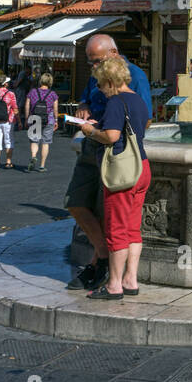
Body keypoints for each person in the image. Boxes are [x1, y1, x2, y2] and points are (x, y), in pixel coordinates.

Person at [64, 34, 151, 290]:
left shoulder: (135, 76)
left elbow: (143, 118)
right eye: (90, 62)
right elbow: (86, 98)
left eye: (97, 61)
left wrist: (102, 130)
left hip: (114, 154)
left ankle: (104, 269)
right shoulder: (95, 74)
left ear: (113, 53)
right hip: (92, 149)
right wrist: (83, 107)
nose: (93, 69)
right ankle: (104, 256)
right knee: (75, 202)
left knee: (113, 219)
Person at [24, 72, 59, 172]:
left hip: (34, 118)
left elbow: (27, 105)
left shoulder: (32, 92)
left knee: (34, 141)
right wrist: (56, 120)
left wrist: (27, 118)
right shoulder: (53, 94)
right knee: (45, 142)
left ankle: (33, 156)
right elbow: (55, 109)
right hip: (48, 119)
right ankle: (42, 166)